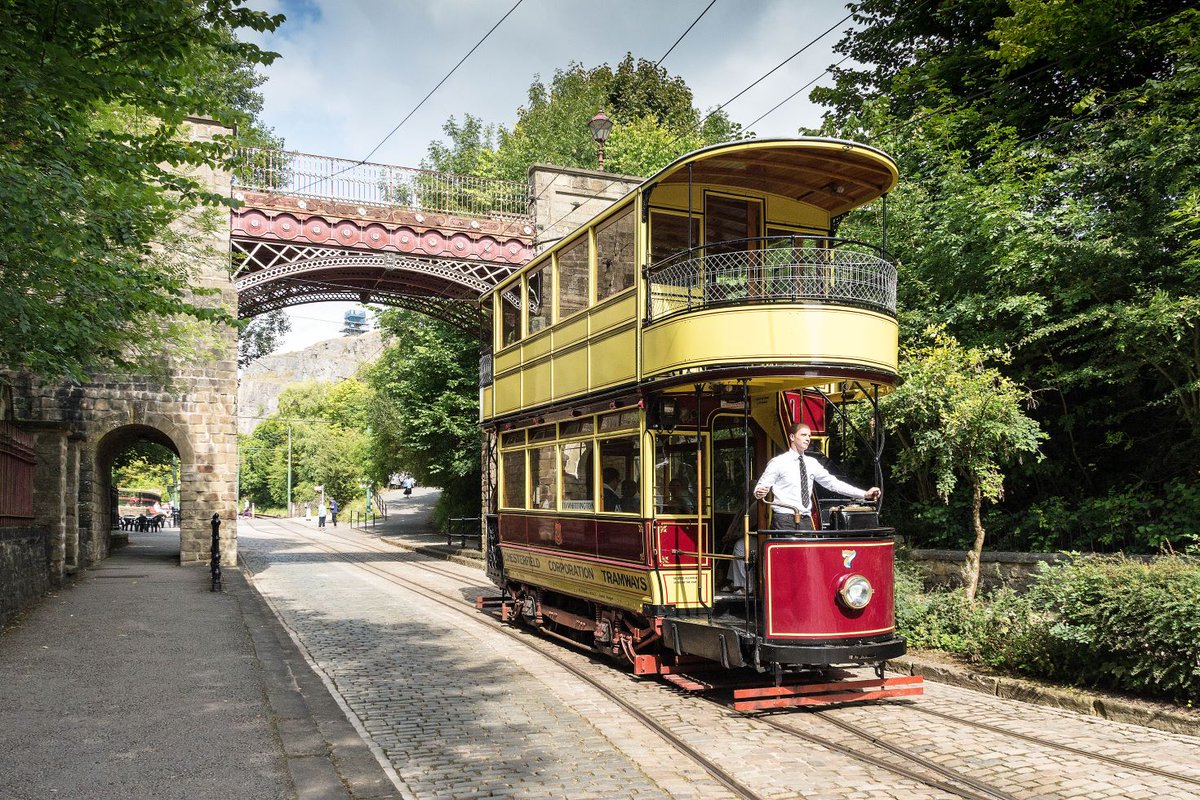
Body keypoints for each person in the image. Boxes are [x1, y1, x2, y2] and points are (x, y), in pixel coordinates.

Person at [724, 423, 881, 593]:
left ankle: (803, 597)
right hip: (784, 520)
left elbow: (833, 484)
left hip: (805, 520)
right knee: (784, 563)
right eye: (804, 435)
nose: (808, 439)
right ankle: (781, 597)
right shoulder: (778, 462)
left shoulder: (811, 463)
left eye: (809, 436)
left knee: (807, 561)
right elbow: (760, 487)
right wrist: (760, 492)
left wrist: (863, 494)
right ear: (792, 437)